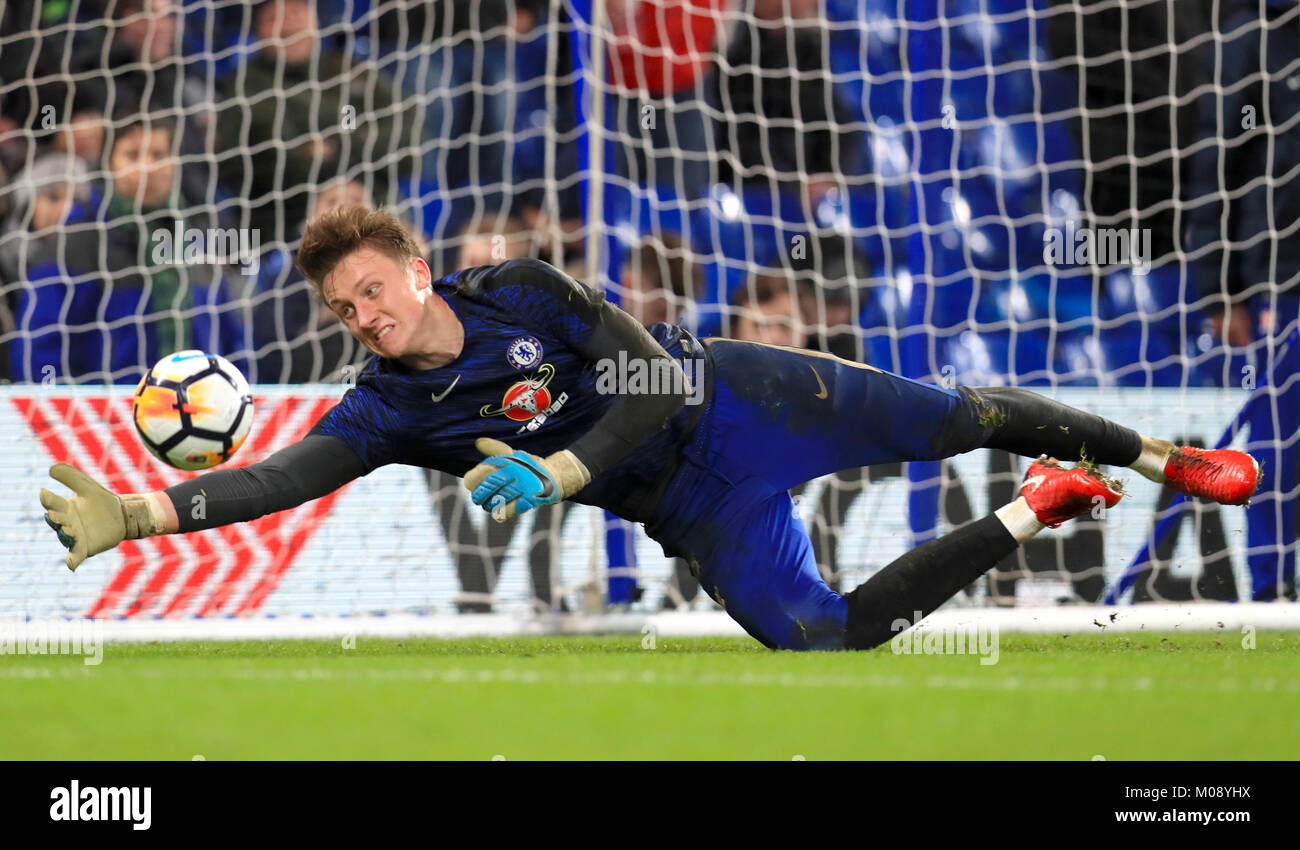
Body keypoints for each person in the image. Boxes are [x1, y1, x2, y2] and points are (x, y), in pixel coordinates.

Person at [38, 206, 1263, 650]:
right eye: (340, 307)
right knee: (817, 643)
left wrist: (563, 467)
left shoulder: (518, 287)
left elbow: (642, 377)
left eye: (371, 288)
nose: (359, 315)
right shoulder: (387, 410)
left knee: (965, 414)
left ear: (417, 268)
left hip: (733, 395)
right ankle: (1038, 504)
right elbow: (279, 478)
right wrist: (140, 513)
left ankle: (1166, 460)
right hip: (691, 504)